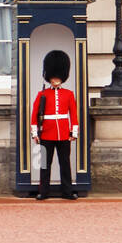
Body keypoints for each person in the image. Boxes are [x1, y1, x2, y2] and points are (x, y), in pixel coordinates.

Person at [30, 49, 79, 200]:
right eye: (53, 76)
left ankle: (67, 191)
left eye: (58, 76)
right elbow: (34, 115)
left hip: (63, 133)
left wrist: (74, 132)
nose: (55, 79)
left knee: (65, 164)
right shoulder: (42, 94)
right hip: (46, 133)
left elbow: (74, 115)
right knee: (44, 164)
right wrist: (35, 133)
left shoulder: (69, 94)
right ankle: (43, 192)